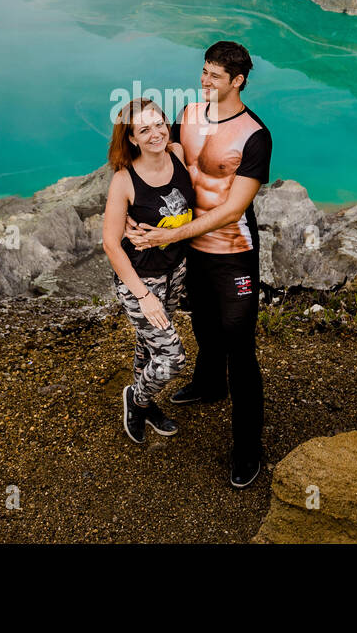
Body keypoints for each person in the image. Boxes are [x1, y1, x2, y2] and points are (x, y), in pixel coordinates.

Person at [125, 41, 271, 488]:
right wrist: (128, 205)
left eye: (214, 75)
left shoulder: (255, 135)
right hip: (192, 255)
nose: (204, 80)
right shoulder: (188, 114)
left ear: (237, 81)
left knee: (240, 348)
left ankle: (248, 449)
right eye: (203, 71)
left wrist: (169, 235)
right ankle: (210, 385)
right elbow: (149, 151)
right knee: (205, 326)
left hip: (232, 254)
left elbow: (231, 210)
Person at [101, 97, 196, 444]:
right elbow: (111, 244)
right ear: (132, 138)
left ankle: (145, 401)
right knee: (173, 357)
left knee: (149, 344)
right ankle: (137, 398)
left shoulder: (179, 155)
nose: (156, 133)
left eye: (159, 124)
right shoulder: (124, 181)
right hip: (140, 282)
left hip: (176, 272)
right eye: (144, 129)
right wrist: (144, 297)